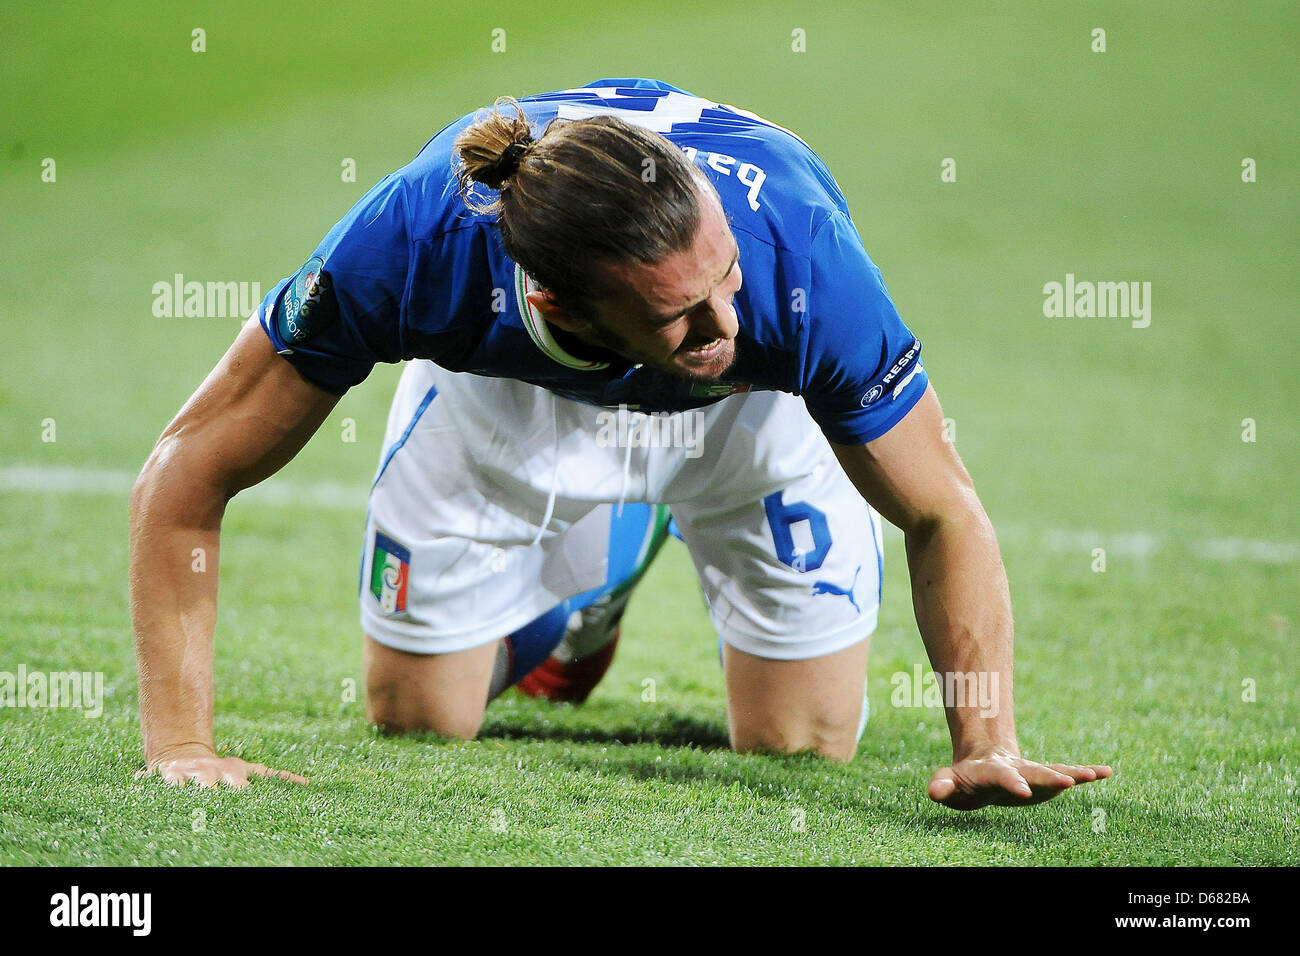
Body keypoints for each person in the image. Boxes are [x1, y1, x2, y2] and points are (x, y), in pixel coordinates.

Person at [130, 78, 1110, 809]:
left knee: (800, 740)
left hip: (747, 416)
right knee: (416, 718)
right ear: (557, 300)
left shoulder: (796, 261)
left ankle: (618, 537)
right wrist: (178, 742)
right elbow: (188, 468)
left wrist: (987, 736)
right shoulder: (412, 248)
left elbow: (943, 507)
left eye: (726, 272)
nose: (727, 318)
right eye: (685, 310)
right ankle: (579, 601)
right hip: (498, 400)